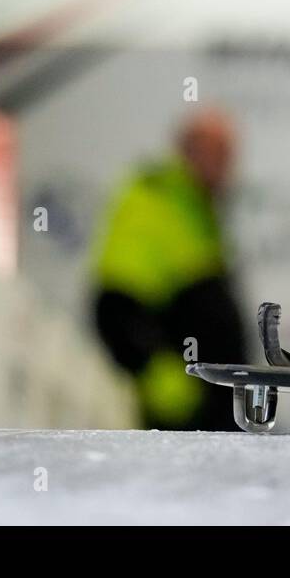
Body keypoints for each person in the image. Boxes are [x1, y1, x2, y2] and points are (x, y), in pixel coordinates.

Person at [91, 108, 246, 430]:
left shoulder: (196, 209)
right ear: (187, 150)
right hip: (182, 417)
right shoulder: (153, 201)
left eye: (229, 157)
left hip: (213, 411)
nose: (226, 169)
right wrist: (158, 374)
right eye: (217, 154)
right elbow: (115, 304)